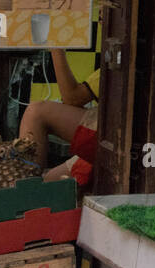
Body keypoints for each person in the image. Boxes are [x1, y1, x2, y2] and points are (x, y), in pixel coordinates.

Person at [19, 49, 100, 186]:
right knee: (51, 179)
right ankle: (28, 189)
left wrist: (56, 49)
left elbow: (72, 98)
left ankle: (26, 190)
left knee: (35, 112)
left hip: (115, 136)